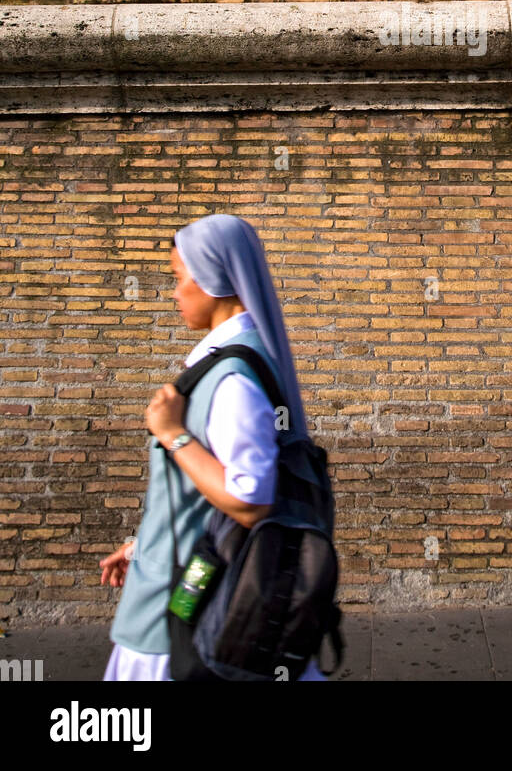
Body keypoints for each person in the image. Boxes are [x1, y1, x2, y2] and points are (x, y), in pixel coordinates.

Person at [100, 213, 327, 681]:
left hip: (183, 618)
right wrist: (147, 546)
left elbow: (248, 499)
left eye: (179, 278)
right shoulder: (231, 362)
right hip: (177, 589)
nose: (174, 292)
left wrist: (171, 434)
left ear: (211, 280)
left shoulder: (232, 378)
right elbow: (204, 497)